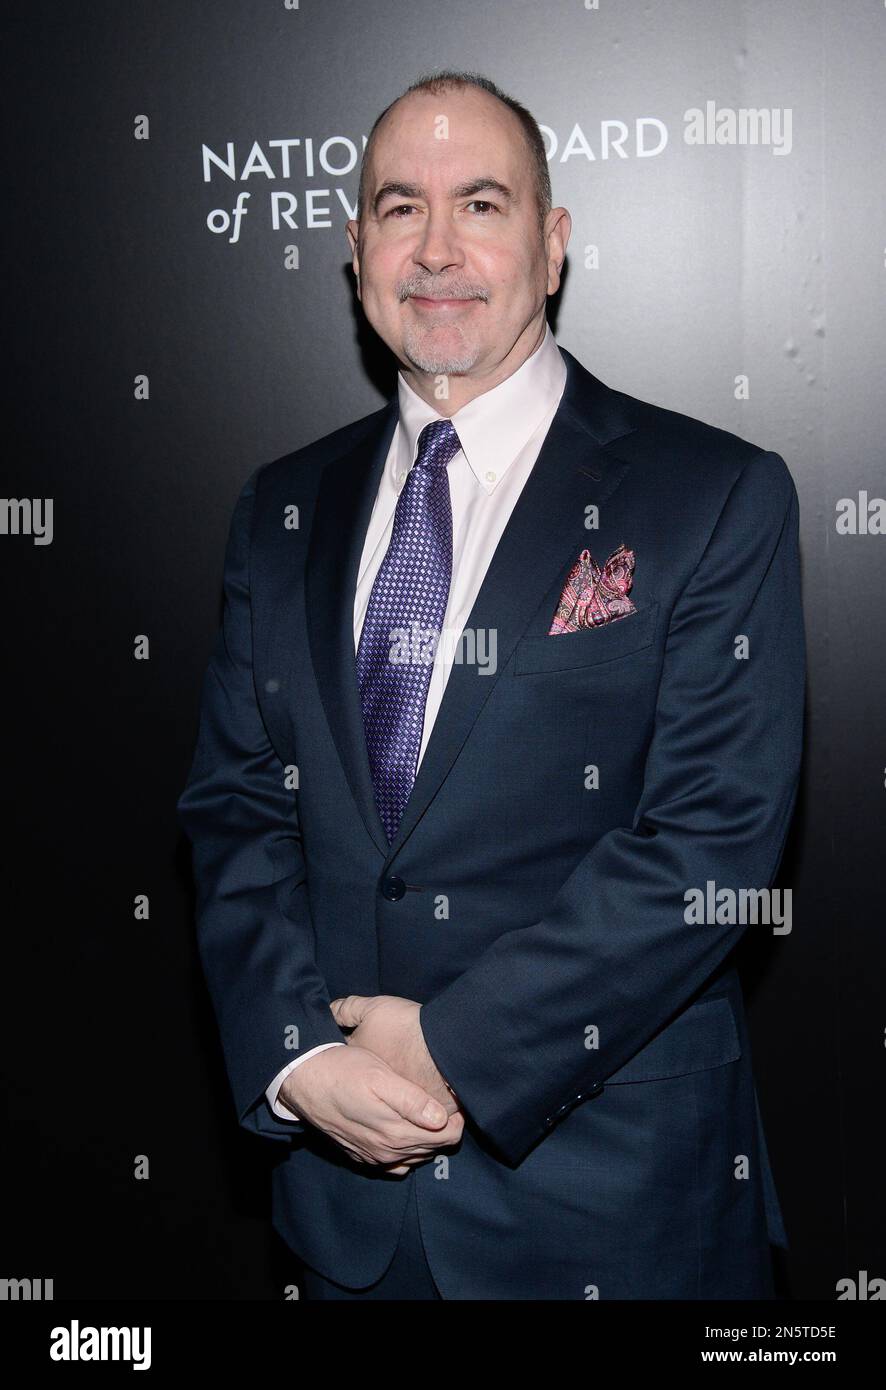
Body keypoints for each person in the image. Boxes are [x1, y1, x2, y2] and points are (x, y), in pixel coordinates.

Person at [177, 69, 805, 1300]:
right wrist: (297, 1055)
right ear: (355, 249)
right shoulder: (280, 509)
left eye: (481, 202)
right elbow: (238, 811)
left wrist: (456, 1045)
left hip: (615, 1216)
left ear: (553, 244)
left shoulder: (712, 493)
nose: (438, 249)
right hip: (341, 1219)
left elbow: (715, 846)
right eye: (399, 208)